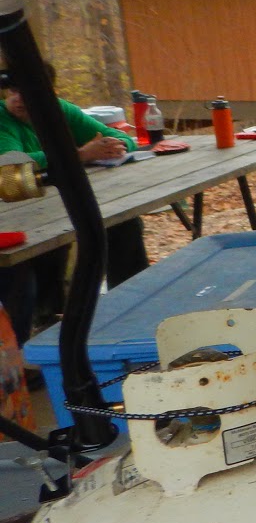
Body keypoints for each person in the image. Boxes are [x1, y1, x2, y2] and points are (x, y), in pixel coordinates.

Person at [0, 65, 151, 342]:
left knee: (122, 223)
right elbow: (13, 164)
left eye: (27, 92)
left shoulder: (59, 109)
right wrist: (78, 154)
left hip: (56, 200)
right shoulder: (2, 117)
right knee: (46, 244)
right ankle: (48, 324)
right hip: (16, 211)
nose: (18, 98)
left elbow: (123, 139)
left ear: (48, 92)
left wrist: (112, 146)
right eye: (13, 91)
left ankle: (133, 309)